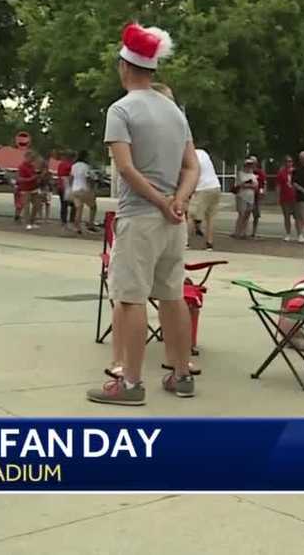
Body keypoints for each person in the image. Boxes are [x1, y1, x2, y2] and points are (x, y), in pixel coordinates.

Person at [86, 22, 198, 405]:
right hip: (173, 220)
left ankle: (130, 383)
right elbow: (191, 165)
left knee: (130, 297)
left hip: (140, 216)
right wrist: (178, 200)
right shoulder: (174, 111)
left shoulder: (120, 110)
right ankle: (182, 374)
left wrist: (159, 201)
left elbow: (126, 169)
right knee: (172, 295)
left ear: (124, 66)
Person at [190, 147, 221, 250]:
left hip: (202, 188)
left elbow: (193, 172)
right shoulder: (203, 152)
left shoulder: (189, 156)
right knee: (211, 217)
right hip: (215, 186)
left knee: (189, 214)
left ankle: (185, 243)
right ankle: (209, 243)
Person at [69, 150, 98, 234]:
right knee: (93, 207)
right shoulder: (86, 166)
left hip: (75, 189)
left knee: (79, 208)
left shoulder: (74, 166)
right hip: (84, 188)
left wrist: (71, 187)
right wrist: (92, 189)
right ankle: (91, 225)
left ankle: (77, 227)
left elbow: (71, 177)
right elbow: (88, 178)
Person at [233, 158, 257, 239]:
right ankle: (237, 232)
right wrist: (249, 185)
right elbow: (240, 184)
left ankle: (244, 232)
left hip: (251, 197)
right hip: (242, 196)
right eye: (247, 165)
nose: (249, 167)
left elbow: (256, 186)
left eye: (250, 165)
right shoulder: (240, 174)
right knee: (241, 214)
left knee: (247, 214)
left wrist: (249, 185)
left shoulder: (253, 175)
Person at [16, 150, 40, 230]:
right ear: (26, 157)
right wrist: (30, 179)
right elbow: (19, 178)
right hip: (25, 189)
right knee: (26, 206)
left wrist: (38, 177)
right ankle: (27, 223)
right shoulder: (21, 166)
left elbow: (35, 175)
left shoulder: (32, 166)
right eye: (31, 158)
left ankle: (32, 221)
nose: (32, 159)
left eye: (33, 158)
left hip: (34, 188)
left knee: (37, 205)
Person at [277, 155, 297, 242]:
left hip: (295, 197)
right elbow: (278, 185)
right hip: (285, 197)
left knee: (298, 216)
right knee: (287, 216)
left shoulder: (295, 172)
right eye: (287, 161)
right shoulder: (281, 172)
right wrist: (278, 196)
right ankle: (288, 233)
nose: (289, 163)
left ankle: (299, 233)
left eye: (290, 161)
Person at [57, 151, 75, 229]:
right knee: (74, 205)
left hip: (61, 186)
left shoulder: (61, 164)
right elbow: (72, 176)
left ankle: (63, 221)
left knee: (63, 204)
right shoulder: (71, 165)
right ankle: (71, 220)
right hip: (68, 186)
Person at [251, 156, 266, 239]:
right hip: (248, 195)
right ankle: (243, 231)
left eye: (254, 162)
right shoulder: (247, 172)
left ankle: (254, 232)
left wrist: (262, 192)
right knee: (245, 213)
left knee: (256, 215)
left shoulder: (260, 173)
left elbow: (263, 184)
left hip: (256, 196)